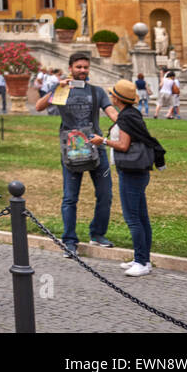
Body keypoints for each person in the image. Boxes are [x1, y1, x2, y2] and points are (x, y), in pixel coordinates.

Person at [36, 50, 119, 257]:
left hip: (96, 147)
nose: (83, 70)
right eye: (79, 67)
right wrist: (57, 89)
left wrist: (127, 123)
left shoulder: (96, 91)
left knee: (105, 194)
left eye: (85, 67)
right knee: (70, 197)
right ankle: (70, 241)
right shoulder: (62, 90)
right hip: (71, 149)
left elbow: (112, 113)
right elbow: (38, 107)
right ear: (70, 69)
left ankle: (98, 234)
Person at [91, 80, 162, 276]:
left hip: (131, 172)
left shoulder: (125, 118)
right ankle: (143, 259)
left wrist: (102, 140)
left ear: (117, 98)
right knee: (141, 217)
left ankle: (141, 261)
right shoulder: (132, 114)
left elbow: (123, 145)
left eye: (113, 94)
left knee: (133, 218)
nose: (111, 96)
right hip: (138, 172)